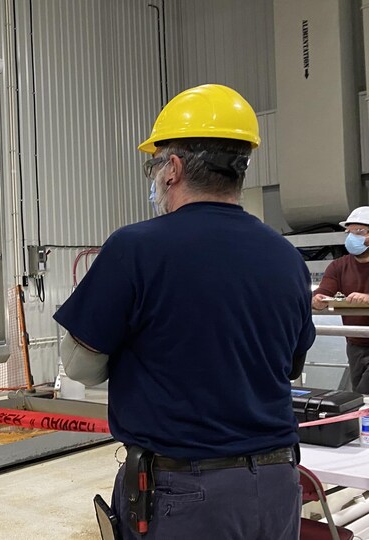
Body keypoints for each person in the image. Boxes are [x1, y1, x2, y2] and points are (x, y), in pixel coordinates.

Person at [53, 84, 315, 539]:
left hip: (186, 494)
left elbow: (81, 365)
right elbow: (291, 366)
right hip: (278, 487)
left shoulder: (136, 249)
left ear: (172, 168)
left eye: (155, 164)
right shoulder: (286, 257)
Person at [312, 206, 369, 393]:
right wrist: (317, 299)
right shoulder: (339, 266)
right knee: (360, 398)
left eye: (359, 231)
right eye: (349, 231)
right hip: (355, 344)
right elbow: (323, 291)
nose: (353, 237)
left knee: (363, 395)